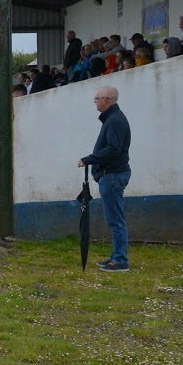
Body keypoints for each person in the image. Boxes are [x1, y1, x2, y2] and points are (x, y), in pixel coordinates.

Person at [79, 86, 132, 272]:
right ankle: (116, 257)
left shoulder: (115, 121)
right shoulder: (112, 119)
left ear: (106, 99)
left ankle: (120, 260)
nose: (95, 102)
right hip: (111, 174)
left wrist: (88, 159)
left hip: (113, 175)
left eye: (96, 98)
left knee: (116, 219)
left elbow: (113, 149)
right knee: (115, 218)